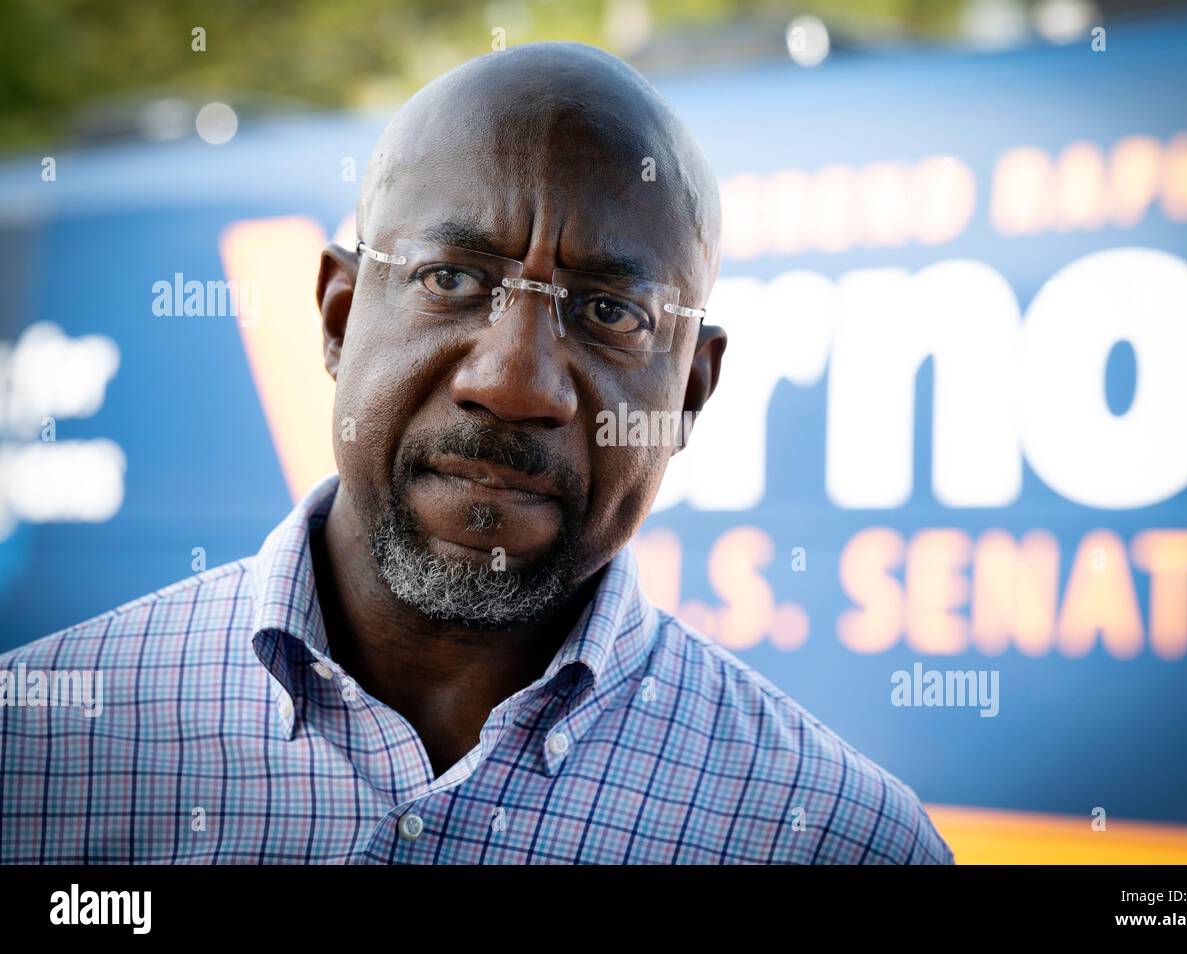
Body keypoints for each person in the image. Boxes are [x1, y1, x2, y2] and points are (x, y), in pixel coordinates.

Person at [0, 42, 952, 864]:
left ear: (691, 392)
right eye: (451, 278)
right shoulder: (35, 753)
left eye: (611, 312)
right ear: (337, 318)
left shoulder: (833, 839)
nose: (515, 383)